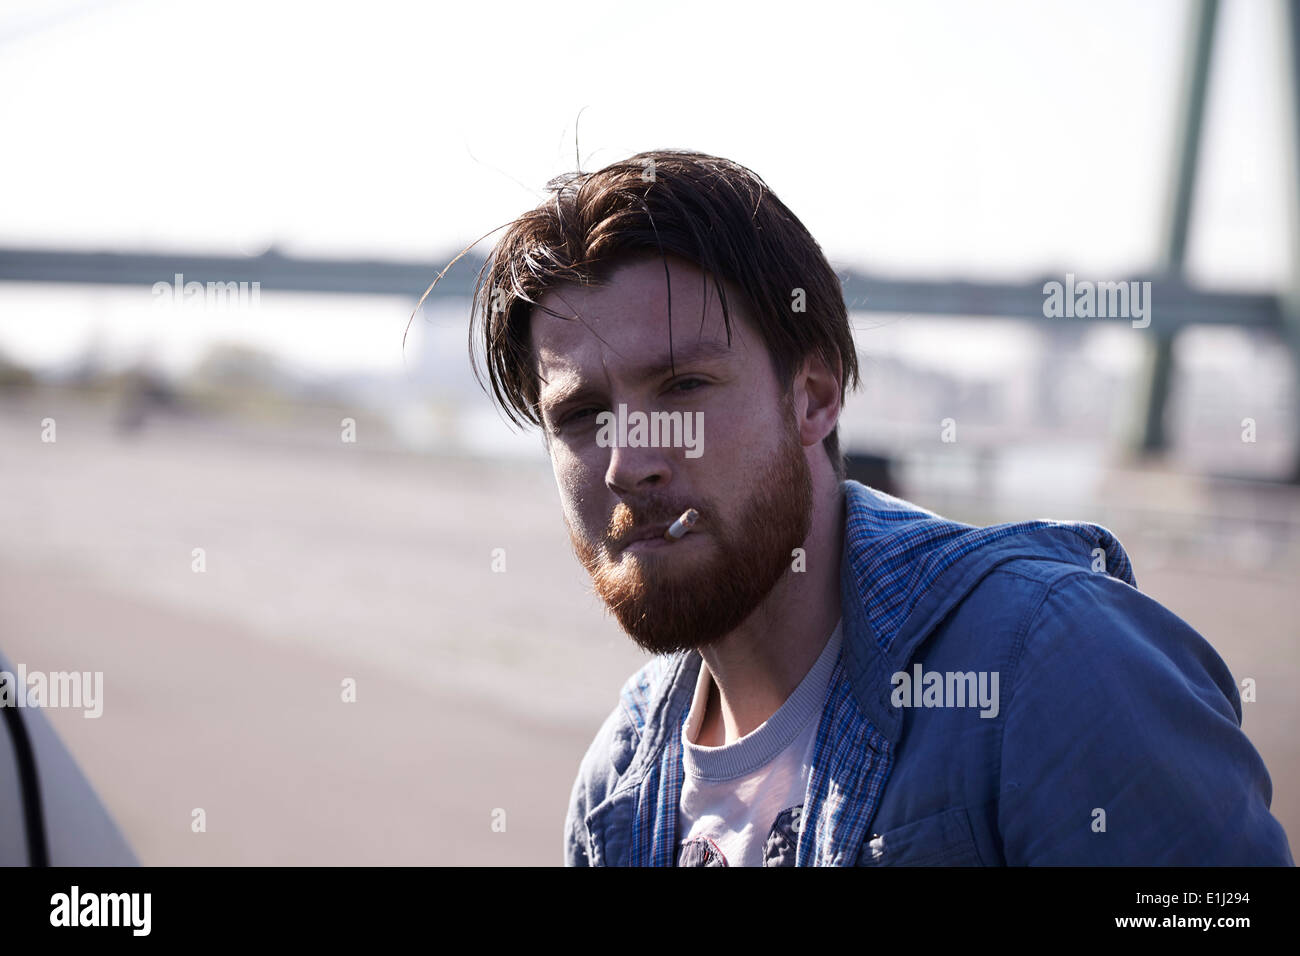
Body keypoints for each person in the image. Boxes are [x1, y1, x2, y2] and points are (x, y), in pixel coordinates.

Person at [462, 149, 1293, 866]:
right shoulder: (620, 790)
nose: (629, 461)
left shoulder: (1050, 664)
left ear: (814, 397)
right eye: (580, 417)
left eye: (683, 387)